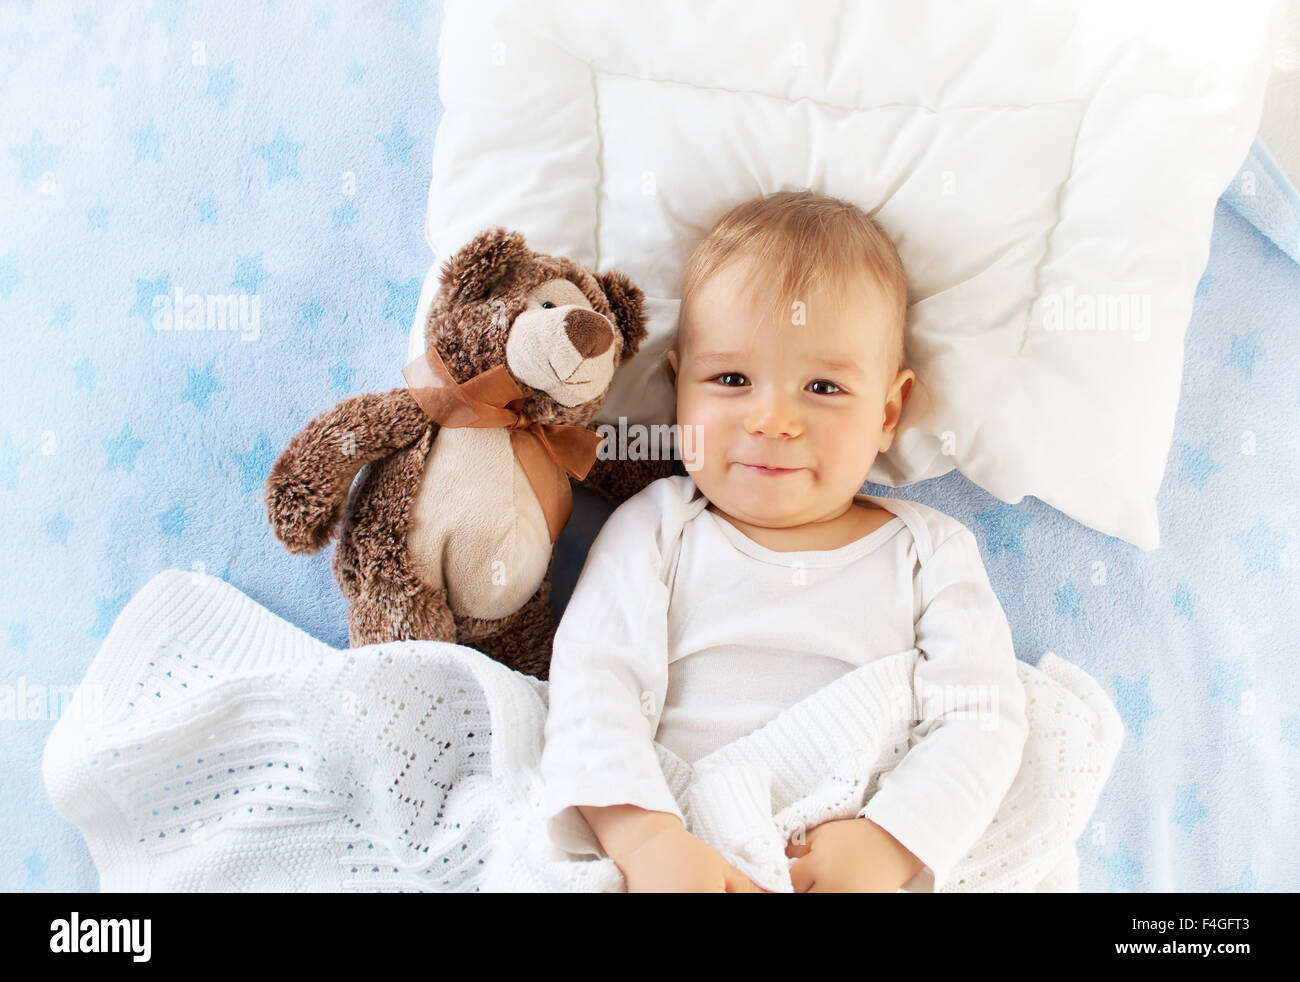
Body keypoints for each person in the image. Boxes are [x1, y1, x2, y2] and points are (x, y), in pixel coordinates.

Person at [539, 189, 1029, 892]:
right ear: (680, 390)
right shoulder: (657, 528)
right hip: (674, 835)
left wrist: (892, 845)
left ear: (888, 412)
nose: (772, 419)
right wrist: (646, 842)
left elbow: (982, 720)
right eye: (732, 379)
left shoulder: (929, 554)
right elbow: (593, 687)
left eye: (824, 387)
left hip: (848, 851)